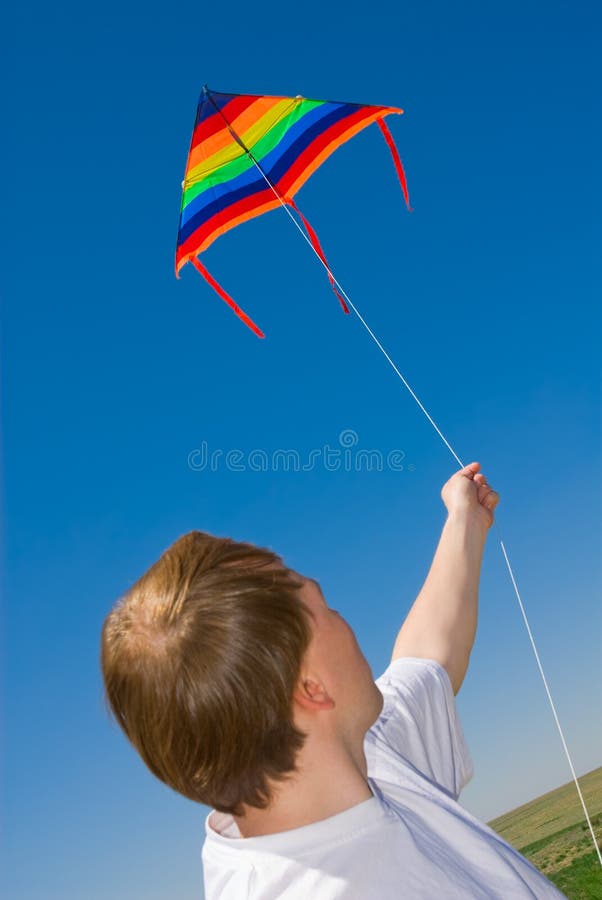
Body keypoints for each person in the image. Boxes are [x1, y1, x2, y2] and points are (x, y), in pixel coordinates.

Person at [100, 462, 566, 898]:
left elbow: (429, 657)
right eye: (326, 607)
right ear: (312, 689)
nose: (347, 622)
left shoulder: (360, 759)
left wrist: (466, 518)